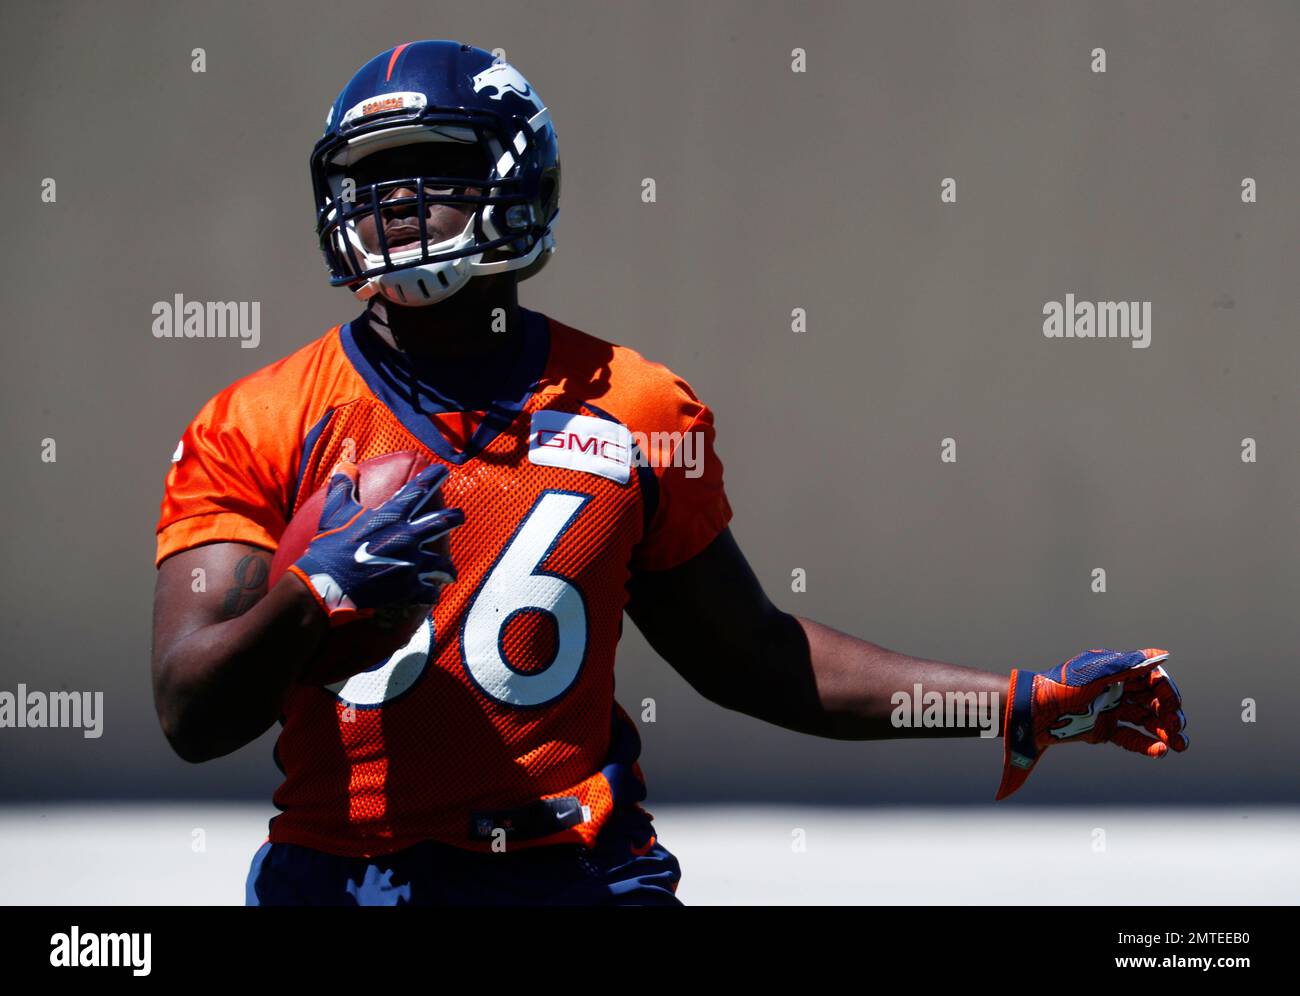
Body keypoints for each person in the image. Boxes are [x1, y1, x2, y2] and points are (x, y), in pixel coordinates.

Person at [150, 40, 1187, 906]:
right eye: (372, 177)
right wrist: (313, 595)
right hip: (345, 876)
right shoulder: (258, 420)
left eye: (433, 165)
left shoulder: (635, 405)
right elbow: (191, 717)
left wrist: (1015, 702)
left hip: (575, 870)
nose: (397, 200)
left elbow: (752, 658)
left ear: (517, 179)